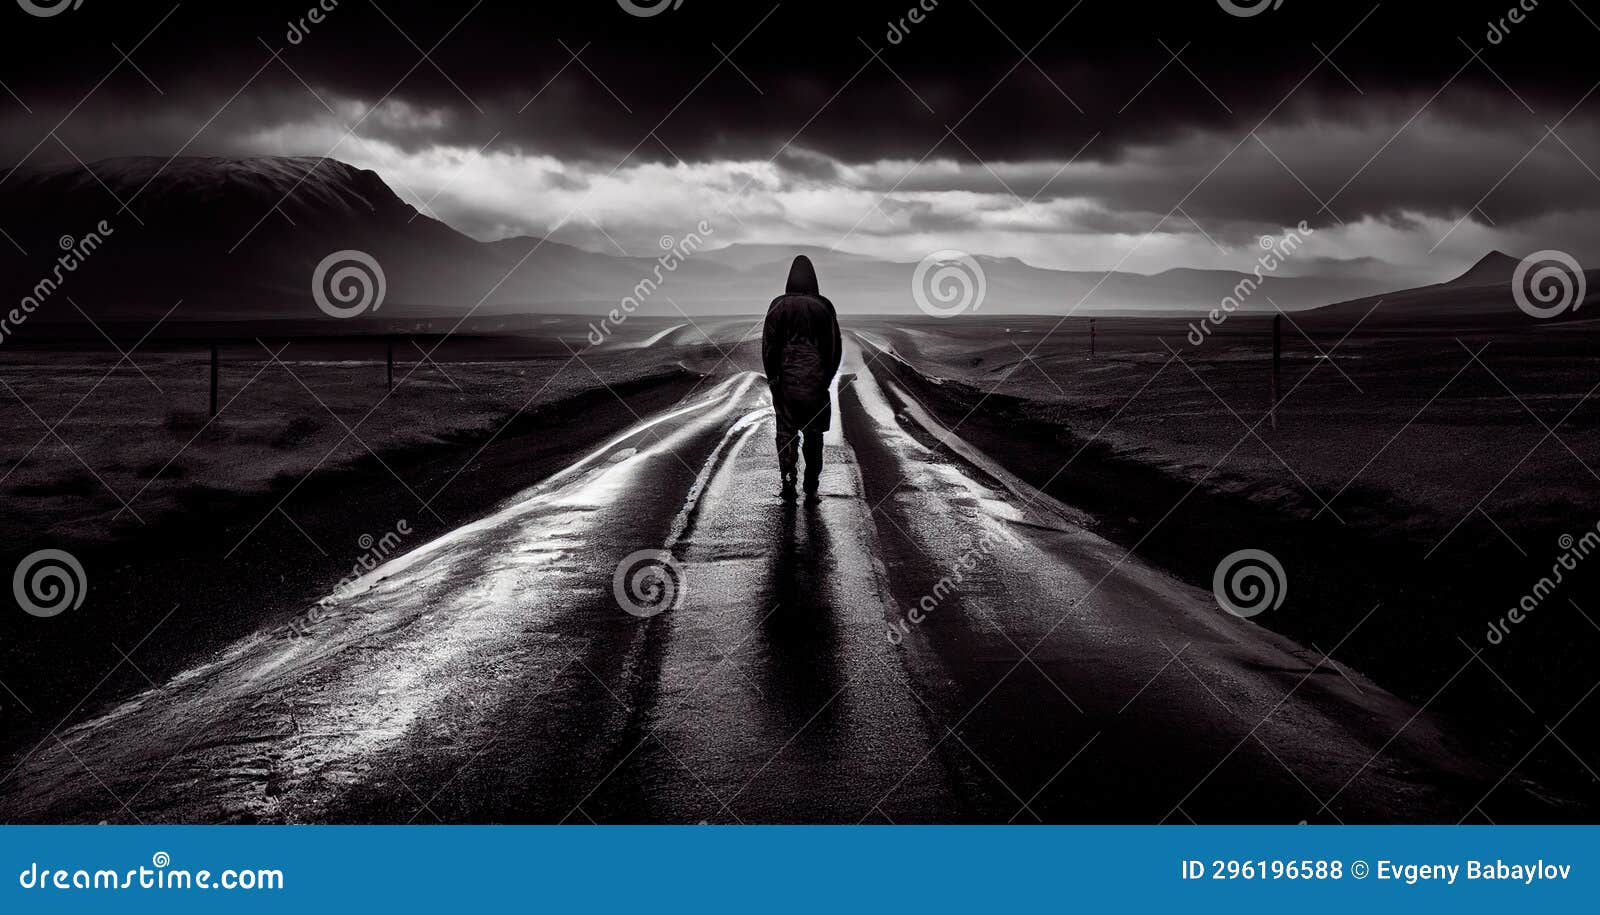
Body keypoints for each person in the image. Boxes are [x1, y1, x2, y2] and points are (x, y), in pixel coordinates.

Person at [762, 255, 842, 501]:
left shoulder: (777, 307)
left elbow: (769, 348)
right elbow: (834, 348)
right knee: (814, 434)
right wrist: (825, 378)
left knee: (786, 434)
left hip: (785, 383)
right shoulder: (824, 307)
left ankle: (788, 482)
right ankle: (811, 484)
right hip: (815, 384)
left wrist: (773, 378)